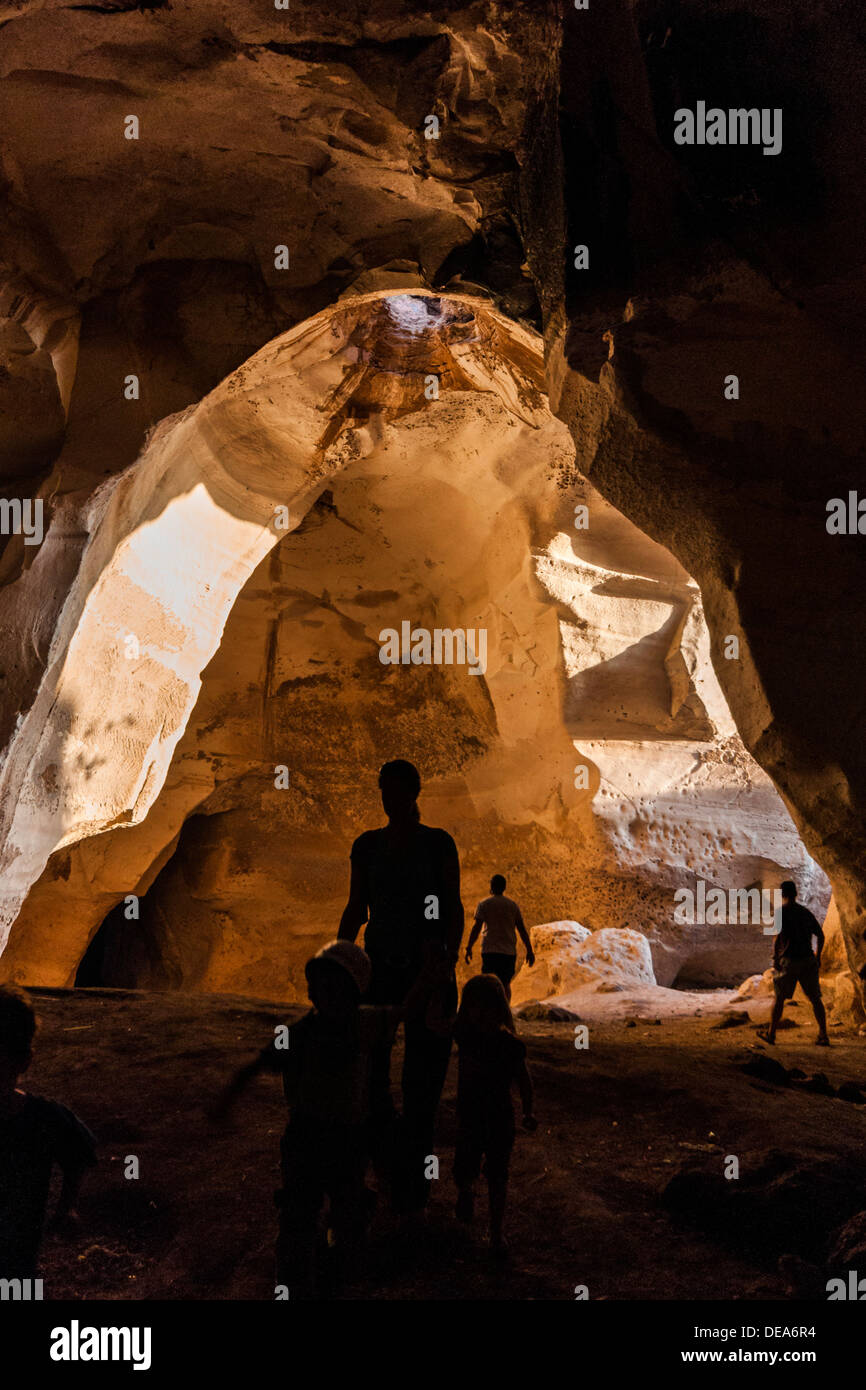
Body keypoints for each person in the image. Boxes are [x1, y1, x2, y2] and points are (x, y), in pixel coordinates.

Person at [213, 941, 405, 1298]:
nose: (325, 993)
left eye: (333, 986)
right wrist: (227, 1097)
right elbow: (258, 1064)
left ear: (352, 992)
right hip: (309, 1137)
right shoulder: (306, 1033)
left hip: (344, 1139)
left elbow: (402, 1012)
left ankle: (332, 1264)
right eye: (321, 985)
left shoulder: (356, 1024)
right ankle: (301, 1279)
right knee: (298, 1216)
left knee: (337, 1212)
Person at [337, 759, 463, 1212]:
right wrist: (338, 959)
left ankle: (414, 1185)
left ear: (414, 792)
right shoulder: (367, 847)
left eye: (396, 789)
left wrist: (445, 963)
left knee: (421, 1085)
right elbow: (356, 907)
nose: (389, 797)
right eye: (383, 789)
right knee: (371, 1080)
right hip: (381, 969)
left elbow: (452, 907)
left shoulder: (437, 844)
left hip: (426, 970)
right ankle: (388, 1175)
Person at [0, 983, 97, 1283]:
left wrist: (67, 1207)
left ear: (22, 1062)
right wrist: (67, 1208)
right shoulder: (46, 1117)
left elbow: (79, 1153)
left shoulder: (46, 1119)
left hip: (17, 1261)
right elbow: (80, 1152)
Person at [452, 974, 536, 1256]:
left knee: (498, 1174)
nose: (479, 1013)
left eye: (484, 1006)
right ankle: (466, 1192)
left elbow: (524, 1079)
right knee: (466, 1164)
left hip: (499, 1118)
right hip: (471, 1115)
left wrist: (528, 1110)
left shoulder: (507, 1045)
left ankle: (496, 1230)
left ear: (497, 1008)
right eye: (473, 1007)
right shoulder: (466, 1037)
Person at [759, 880, 829, 1046]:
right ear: (796, 893)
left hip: (789, 961)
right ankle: (823, 1035)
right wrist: (818, 957)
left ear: (782, 895)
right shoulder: (805, 912)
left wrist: (775, 959)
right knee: (815, 999)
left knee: (779, 998)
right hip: (808, 960)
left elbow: (776, 938)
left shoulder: (781, 913)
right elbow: (821, 935)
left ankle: (771, 1034)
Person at [465, 874, 535, 997]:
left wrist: (469, 946)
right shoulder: (512, 906)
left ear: (491, 886)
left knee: (488, 984)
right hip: (508, 952)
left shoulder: (484, 904)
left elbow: (476, 928)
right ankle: (506, 1010)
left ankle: (490, 1012)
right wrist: (529, 950)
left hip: (489, 951)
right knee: (505, 984)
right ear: (504, 887)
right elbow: (522, 930)